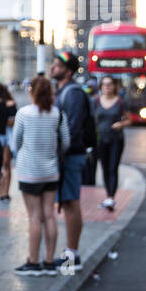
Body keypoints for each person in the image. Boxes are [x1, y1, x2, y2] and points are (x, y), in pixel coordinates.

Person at [11, 75, 70, 275]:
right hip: (51, 172)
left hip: (29, 172)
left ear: (32, 91)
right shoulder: (57, 114)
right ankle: (50, 261)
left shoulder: (24, 114)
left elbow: (15, 143)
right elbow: (66, 142)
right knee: (49, 216)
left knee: (34, 217)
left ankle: (34, 262)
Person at [50, 50, 89, 272]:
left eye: (57, 65)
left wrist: (60, 153)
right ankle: (70, 252)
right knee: (67, 202)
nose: (53, 67)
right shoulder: (63, 91)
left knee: (71, 202)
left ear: (68, 70)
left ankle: (72, 254)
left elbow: (72, 130)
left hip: (71, 156)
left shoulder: (72, 93)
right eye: (54, 63)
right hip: (66, 155)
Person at [92, 75, 130, 210]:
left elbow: (128, 119)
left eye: (109, 84)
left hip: (116, 140)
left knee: (113, 167)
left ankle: (111, 198)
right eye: (104, 84)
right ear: (101, 87)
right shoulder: (95, 101)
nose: (107, 87)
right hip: (101, 140)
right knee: (104, 168)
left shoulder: (120, 102)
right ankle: (108, 195)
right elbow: (91, 120)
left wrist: (120, 124)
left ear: (114, 86)